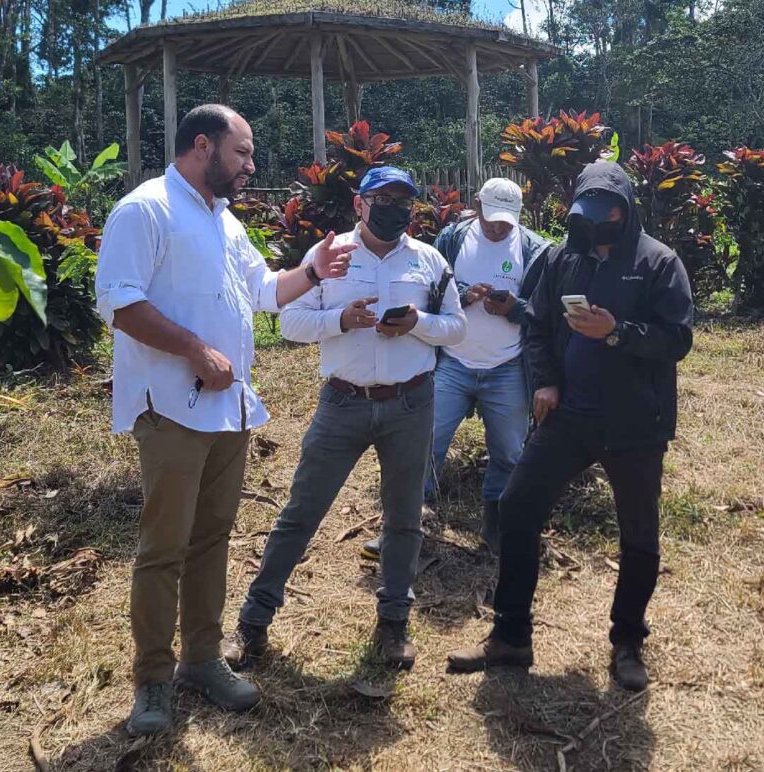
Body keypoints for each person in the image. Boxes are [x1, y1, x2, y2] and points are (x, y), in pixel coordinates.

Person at [95, 104, 354, 735]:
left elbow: (264, 292)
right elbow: (120, 303)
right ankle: (152, 680)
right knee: (164, 549)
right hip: (174, 409)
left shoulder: (224, 221)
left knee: (211, 541)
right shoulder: (145, 208)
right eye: (242, 153)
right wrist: (195, 350)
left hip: (228, 409)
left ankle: (202, 660)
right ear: (202, 145)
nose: (250, 165)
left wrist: (313, 270)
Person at [446, 161, 694, 692]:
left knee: (639, 535)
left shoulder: (657, 262)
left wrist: (618, 332)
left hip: (635, 424)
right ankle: (511, 636)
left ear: (626, 209)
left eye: (611, 210)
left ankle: (627, 642)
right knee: (517, 505)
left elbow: (678, 339)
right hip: (571, 414)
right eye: (591, 210)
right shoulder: (564, 260)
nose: (601, 220)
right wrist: (546, 382)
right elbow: (536, 325)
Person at [224, 166, 465, 671]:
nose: (395, 208)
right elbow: (289, 323)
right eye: (384, 199)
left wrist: (418, 324)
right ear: (360, 204)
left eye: (404, 200)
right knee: (301, 512)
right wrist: (340, 320)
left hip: (410, 404)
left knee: (404, 518)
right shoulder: (329, 259)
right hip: (343, 403)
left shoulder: (430, 260)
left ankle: (394, 623)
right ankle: (253, 621)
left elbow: (456, 328)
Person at [360, 177, 551, 558]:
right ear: (476, 205)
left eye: (506, 222)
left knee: (509, 452)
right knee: (425, 444)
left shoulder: (534, 249)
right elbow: (430, 295)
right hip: (455, 362)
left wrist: (514, 308)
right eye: (491, 217)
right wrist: (463, 297)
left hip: (507, 365)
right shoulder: (452, 240)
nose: (498, 227)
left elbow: (546, 313)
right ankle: (405, 524)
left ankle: (498, 528)